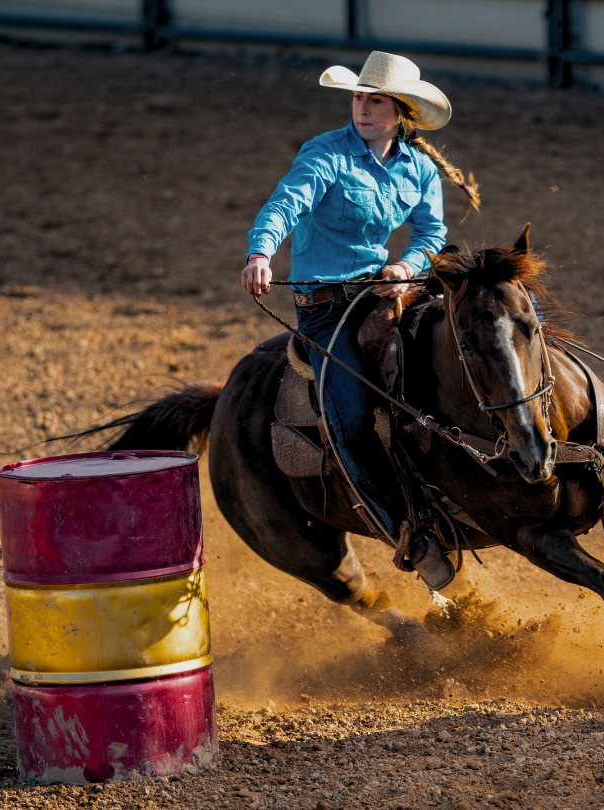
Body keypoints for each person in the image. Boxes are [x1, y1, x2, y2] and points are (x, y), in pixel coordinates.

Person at [240, 51, 480, 590]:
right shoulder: (325, 154)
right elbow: (287, 204)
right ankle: (411, 539)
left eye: (375, 100)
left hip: (384, 292)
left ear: (400, 111)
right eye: (358, 98)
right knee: (348, 418)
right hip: (327, 307)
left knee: (483, 331)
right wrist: (261, 253)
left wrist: (406, 265)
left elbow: (430, 235)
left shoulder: (417, 167)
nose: (363, 108)